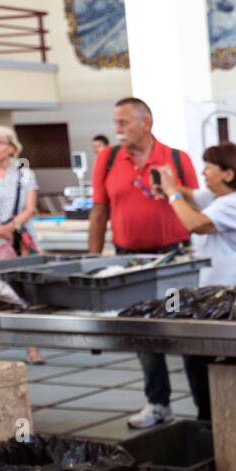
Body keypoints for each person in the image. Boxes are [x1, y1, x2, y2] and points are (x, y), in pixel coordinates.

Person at [88, 97, 199, 429]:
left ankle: (206, 407)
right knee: (143, 333)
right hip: (130, 260)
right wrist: (93, 261)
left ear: (146, 122)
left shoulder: (176, 159)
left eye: (124, 122)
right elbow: (99, 212)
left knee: (189, 332)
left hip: (175, 258)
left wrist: (171, 187)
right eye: (115, 122)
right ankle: (158, 403)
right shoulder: (107, 159)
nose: (117, 129)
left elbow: (196, 202)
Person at [155, 142, 236, 422]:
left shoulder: (232, 204)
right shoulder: (219, 198)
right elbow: (192, 195)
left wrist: (171, 192)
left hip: (230, 297)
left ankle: (214, 423)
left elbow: (194, 223)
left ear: (228, 174)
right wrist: (172, 185)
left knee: (202, 359)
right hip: (214, 295)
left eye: (209, 168)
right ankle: (212, 422)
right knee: (199, 358)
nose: (203, 173)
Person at [0, 125, 44, 364]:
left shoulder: (23, 169)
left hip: (19, 237)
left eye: (1, 142)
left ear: (13, 146)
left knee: (24, 292)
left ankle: (32, 346)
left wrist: (10, 227)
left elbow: (30, 207)